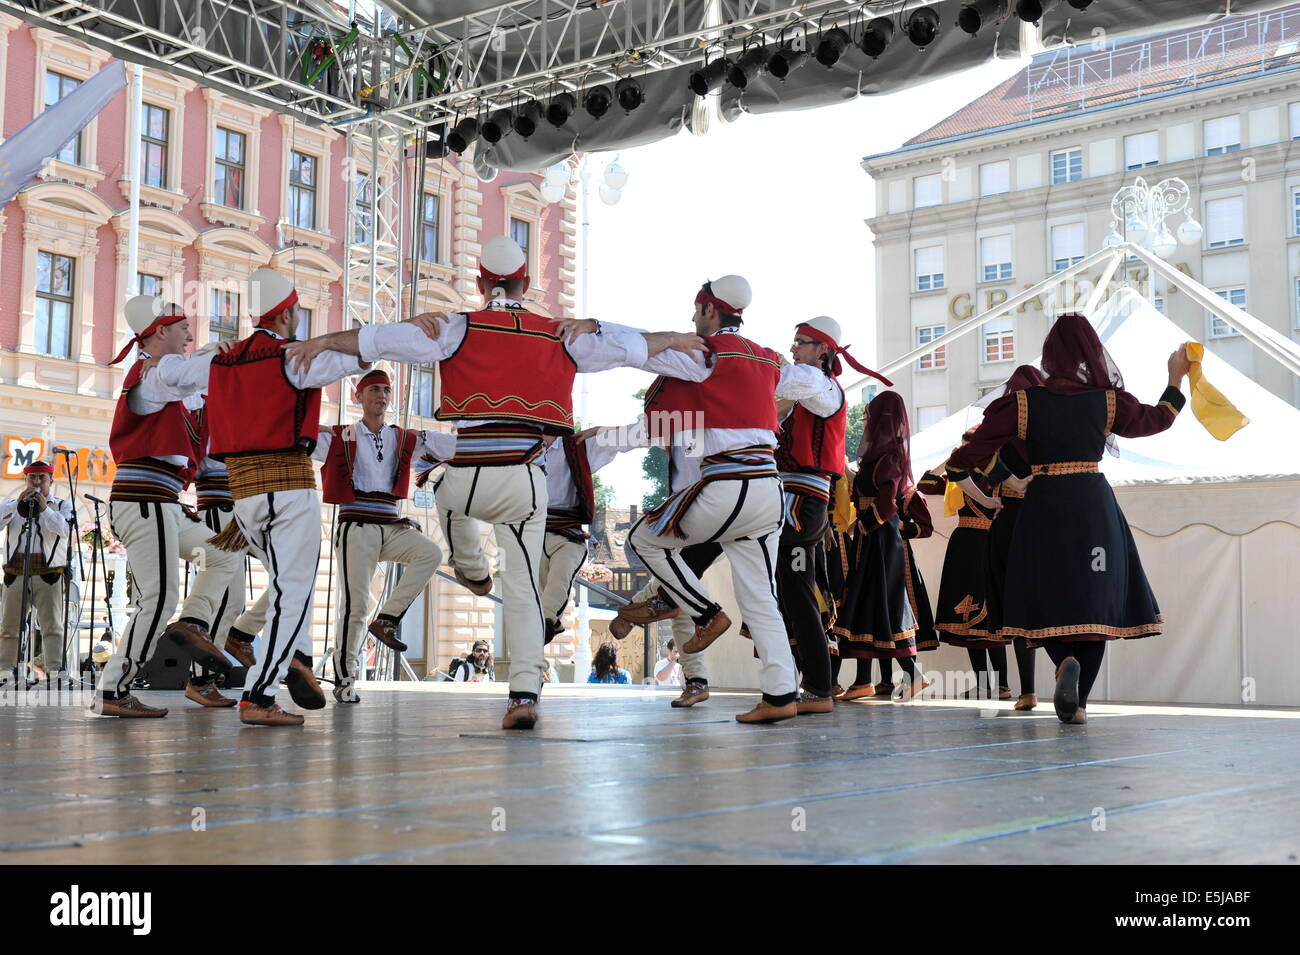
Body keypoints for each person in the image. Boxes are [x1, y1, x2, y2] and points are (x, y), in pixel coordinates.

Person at [285, 235, 703, 730]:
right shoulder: (561, 334)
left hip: (467, 475)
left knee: (445, 493)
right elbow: (633, 350)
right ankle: (523, 694)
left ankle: (473, 569)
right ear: (525, 283)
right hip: (525, 482)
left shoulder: (455, 326)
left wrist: (322, 341)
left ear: (481, 283)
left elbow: (377, 340)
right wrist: (674, 338)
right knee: (524, 590)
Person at [618, 276, 851, 724]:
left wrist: (615, 334)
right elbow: (802, 388)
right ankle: (782, 694)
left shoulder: (711, 355)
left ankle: (701, 609)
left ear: (709, 311)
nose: (795, 348)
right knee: (766, 594)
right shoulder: (774, 365)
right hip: (772, 492)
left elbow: (638, 355)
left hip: (772, 490)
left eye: (804, 343)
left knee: (650, 539)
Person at [148, 270, 371, 725]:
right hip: (289, 488)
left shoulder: (222, 362)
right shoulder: (295, 357)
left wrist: (191, 355)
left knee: (289, 587)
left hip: (245, 497)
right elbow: (364, 353)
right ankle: (261, 693)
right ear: (287, 313)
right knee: (295, 591)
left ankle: (294, 655)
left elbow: (167, 375)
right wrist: (328, 341)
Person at [945, 313, 1190, 724]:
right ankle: (1079, 705)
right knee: (1095, 601)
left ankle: (1063, 663)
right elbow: (1159, 418)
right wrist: (1175, 377)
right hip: (1094, 507)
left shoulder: (1023, 403)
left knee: (1044, 597)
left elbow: (967, 457)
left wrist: (977, 478)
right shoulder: (1109, 401)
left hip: (1043, 508)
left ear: (1049, 357)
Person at [95, 296, 240, 718]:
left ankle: (193, 622)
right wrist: (215, 356)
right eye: (182, 328)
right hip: (143, 500)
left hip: (165, 503)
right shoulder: (151, 373)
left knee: (224, 555)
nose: (190, 335)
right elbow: (187, 375)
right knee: (157, 598)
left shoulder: (174, 385)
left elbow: (199, 388)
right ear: (160, 332)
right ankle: (114, 690)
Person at [773, 316, 892, 713]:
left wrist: (748, 361)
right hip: (791, 497)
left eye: (801, 342)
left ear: (822, 350)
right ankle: (812, 683)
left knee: (796, 587)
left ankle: (819, 685)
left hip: (802, 499)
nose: (794, 348)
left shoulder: (821, 386)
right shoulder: (807, 392)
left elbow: (781, 378)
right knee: (791, 587)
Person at [316, 367, 447, 704]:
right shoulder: (340, 435)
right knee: (355, 605)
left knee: (429, 553)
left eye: (386, 391)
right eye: (373, 389)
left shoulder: (402, 437)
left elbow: (453, 447)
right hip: (355, 526)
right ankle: (345, 677)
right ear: (357, 396)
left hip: (389, 524)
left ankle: (387, 618)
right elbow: (291, 437)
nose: (382, 396)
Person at [833, 392, 932, 701]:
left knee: (881, 603)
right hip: (873, 538)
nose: (866, 424)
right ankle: (865, 680)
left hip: (879, 540)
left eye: (869, 419)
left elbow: (887, 500)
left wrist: (868, 521)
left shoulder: (888, 458)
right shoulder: (883, 456)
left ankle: (913, 676)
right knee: (868, 605)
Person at [918, 436, 1011, 701]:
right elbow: (923, 483)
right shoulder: (957, 481)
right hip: (964, 547)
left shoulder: (1000, 479)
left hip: (988, 545)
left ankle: (1003, 685)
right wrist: (948, 463)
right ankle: (984, 685)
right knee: (967, 622)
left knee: (991, 618)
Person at [978, 365, 1046, 711]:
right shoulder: (1051, 426)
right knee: (1053, 602)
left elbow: (979, 457)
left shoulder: (1004, 425)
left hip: (1011, 521)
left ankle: (1028, 690)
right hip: (1050, 520)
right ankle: (1072, 684)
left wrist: (1007, 482)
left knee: (1018, 606)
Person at [539, 425, 640, 645]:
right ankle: (546, 626)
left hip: (568, 533)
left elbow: (624, 438)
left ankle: (546, 622)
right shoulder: (523, 447)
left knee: (560, 576)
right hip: (531, 534)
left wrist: (602, 429)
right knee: (534, 597)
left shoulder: (577, 446)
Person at [0, 461, 75, 684]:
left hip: (49, 573)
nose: (37, 482)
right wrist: (17, 505)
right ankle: (5, 671)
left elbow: (64, 530)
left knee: (52, 626)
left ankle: (56, 673)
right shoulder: (12, 505)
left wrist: (44, 509)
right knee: (8, 626)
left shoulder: (62, 505)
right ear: (25, 480)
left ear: (50, 481)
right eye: (32, 477)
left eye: (42, 477)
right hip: (16, 572)